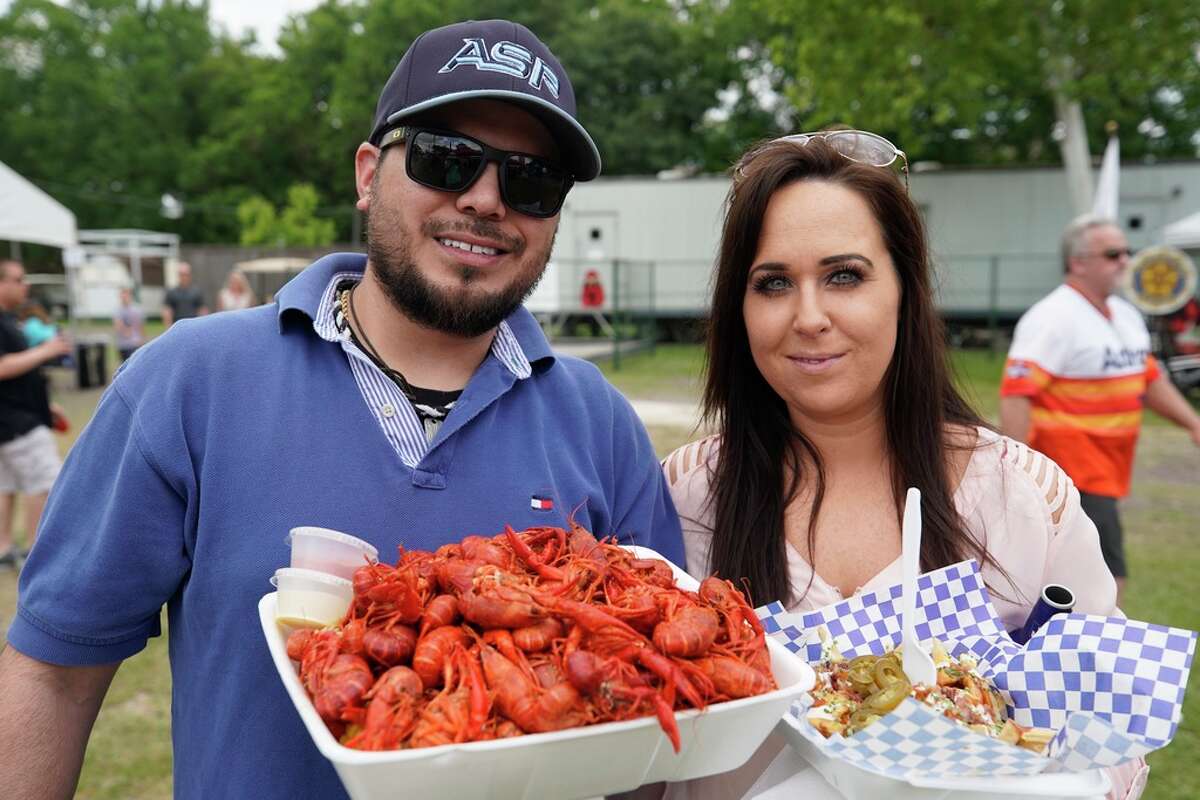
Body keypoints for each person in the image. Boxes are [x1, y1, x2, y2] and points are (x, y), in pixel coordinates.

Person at [0, 19, 683, 800]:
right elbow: (53, 677)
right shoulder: (188, 382)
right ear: (368, 173)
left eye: (533, 180)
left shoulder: (603, 424)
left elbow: (653, 726)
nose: (488, 199)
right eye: (446, 158)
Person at [659, 134, 1146, 799]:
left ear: (905, 289)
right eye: (773, 283)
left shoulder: (1022, 494)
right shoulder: (681, 498)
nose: (809, 317)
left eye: (844, 276)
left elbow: (1115, 730)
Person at [999, 215, 1200, 604]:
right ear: (1078, 262)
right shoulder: (1052, 318)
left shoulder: (1125, 315)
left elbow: (1149, 380)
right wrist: (1015, 473)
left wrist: (1192, 421)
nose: (1125, 260)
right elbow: (1016, 394)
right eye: (1112, 254)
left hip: (1109, 473)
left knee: (1083, 581)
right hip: (1074, 475)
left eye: (1127, 252)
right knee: (1107, 580)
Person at [0, 259, 72, 570]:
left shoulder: (9, 319)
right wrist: (47, 350)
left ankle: (4, 551)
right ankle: (34, 553)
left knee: (6, 487)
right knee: (45, 485)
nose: (24, 285)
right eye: (18, 279)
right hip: (18, 423)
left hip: (16, 417)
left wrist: (47, 406)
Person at [160, 261, 208, 326]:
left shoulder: (197, 292)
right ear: (178, 275)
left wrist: (203, 324)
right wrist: (168, 326)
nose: (184, 277)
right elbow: (167, 311)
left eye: (186, 275)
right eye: (182, 275)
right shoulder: (172, 292)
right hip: (177, 325)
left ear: (190, 275)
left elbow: (202, 310)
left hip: (194, 325)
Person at [113, 286, 145, 362]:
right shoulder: (117, 310)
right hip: (122, 344)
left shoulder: (137, 309)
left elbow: (140, 326)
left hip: (134, 343)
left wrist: (142, 339)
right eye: (122, 295)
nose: (124, 297)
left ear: (130, 296)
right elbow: (117, 325)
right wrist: (125, 331)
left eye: (126, 295)